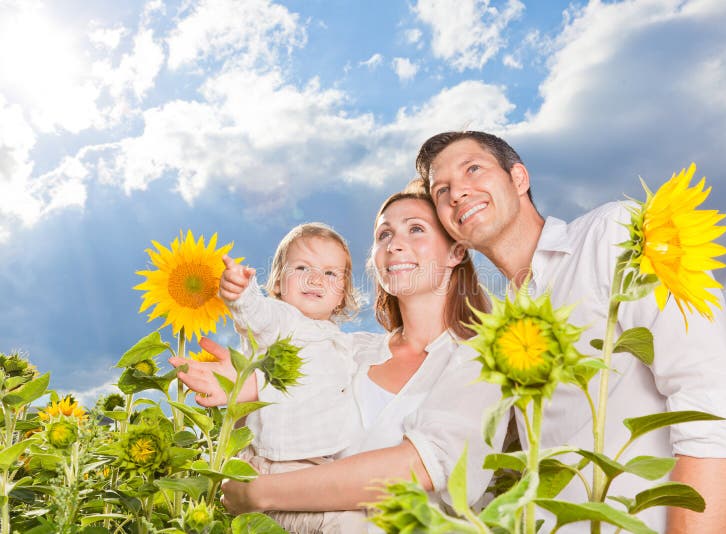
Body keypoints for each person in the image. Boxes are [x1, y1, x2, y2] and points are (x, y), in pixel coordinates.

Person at [414, 131, 726, 533]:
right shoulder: (504, 328)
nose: (457, 193)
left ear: (518, 178)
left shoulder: (613, 235)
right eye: (441, 190)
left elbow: (716, 402)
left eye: (473, 169)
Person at [171, 183, 506, 533]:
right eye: (384, 234)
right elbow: (274, 412)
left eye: (416, 229)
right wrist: (249, 383)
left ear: (456, 252)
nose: (394, 243)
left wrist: (261, 494)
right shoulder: (348, 350)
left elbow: (429, 466)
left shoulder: (480, 359)